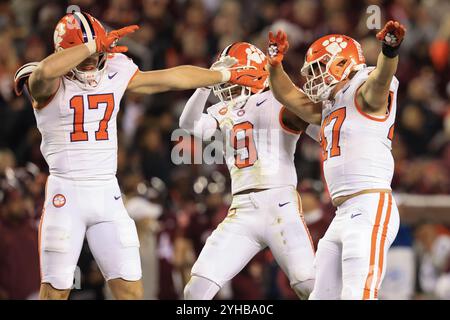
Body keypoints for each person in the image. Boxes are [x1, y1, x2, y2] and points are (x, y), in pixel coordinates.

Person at [13, 11, 265, 300]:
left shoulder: (115, 69)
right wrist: (93, 45)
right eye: (86, 56)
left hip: (108, 194)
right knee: (55, 293)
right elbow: (46, 72)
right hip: (65, 195)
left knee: (131, 292)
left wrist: (223, 75)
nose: (93, 64)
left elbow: (168, 78)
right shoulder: (44, 77)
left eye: (98, 54)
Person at [266, 21, 406, 299]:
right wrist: (274, 67)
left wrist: (389, 51)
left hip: (369, 205)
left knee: (358, 294)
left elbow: (380, 80)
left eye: (319, 68)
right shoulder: (331, 105)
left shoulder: (364, 92)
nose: (314, 77)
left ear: (343, 64)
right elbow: (289, 95)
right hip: (343, 213)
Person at [179, 42, 320, 300]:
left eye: (232, 75)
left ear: (254, 73)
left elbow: (322, 132)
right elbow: (188, 125)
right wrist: (204, 84)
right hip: (242, 208)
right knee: (195, 291)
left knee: (307, 285)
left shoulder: (279, 99)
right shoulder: (221, 110)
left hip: (279, 203)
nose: (226, 84)